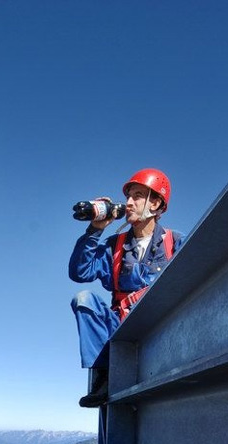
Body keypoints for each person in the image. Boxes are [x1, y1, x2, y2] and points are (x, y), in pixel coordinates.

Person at [69, 168, 183, 407]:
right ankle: (103, 377)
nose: (128, 203)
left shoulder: (175, 242)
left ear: (156, 204)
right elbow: (79, 272)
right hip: (120, 329)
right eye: (129, 196)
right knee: (84, 299)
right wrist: (95, 229)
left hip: (159, 328)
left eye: (138, 196)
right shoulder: (115, 246)